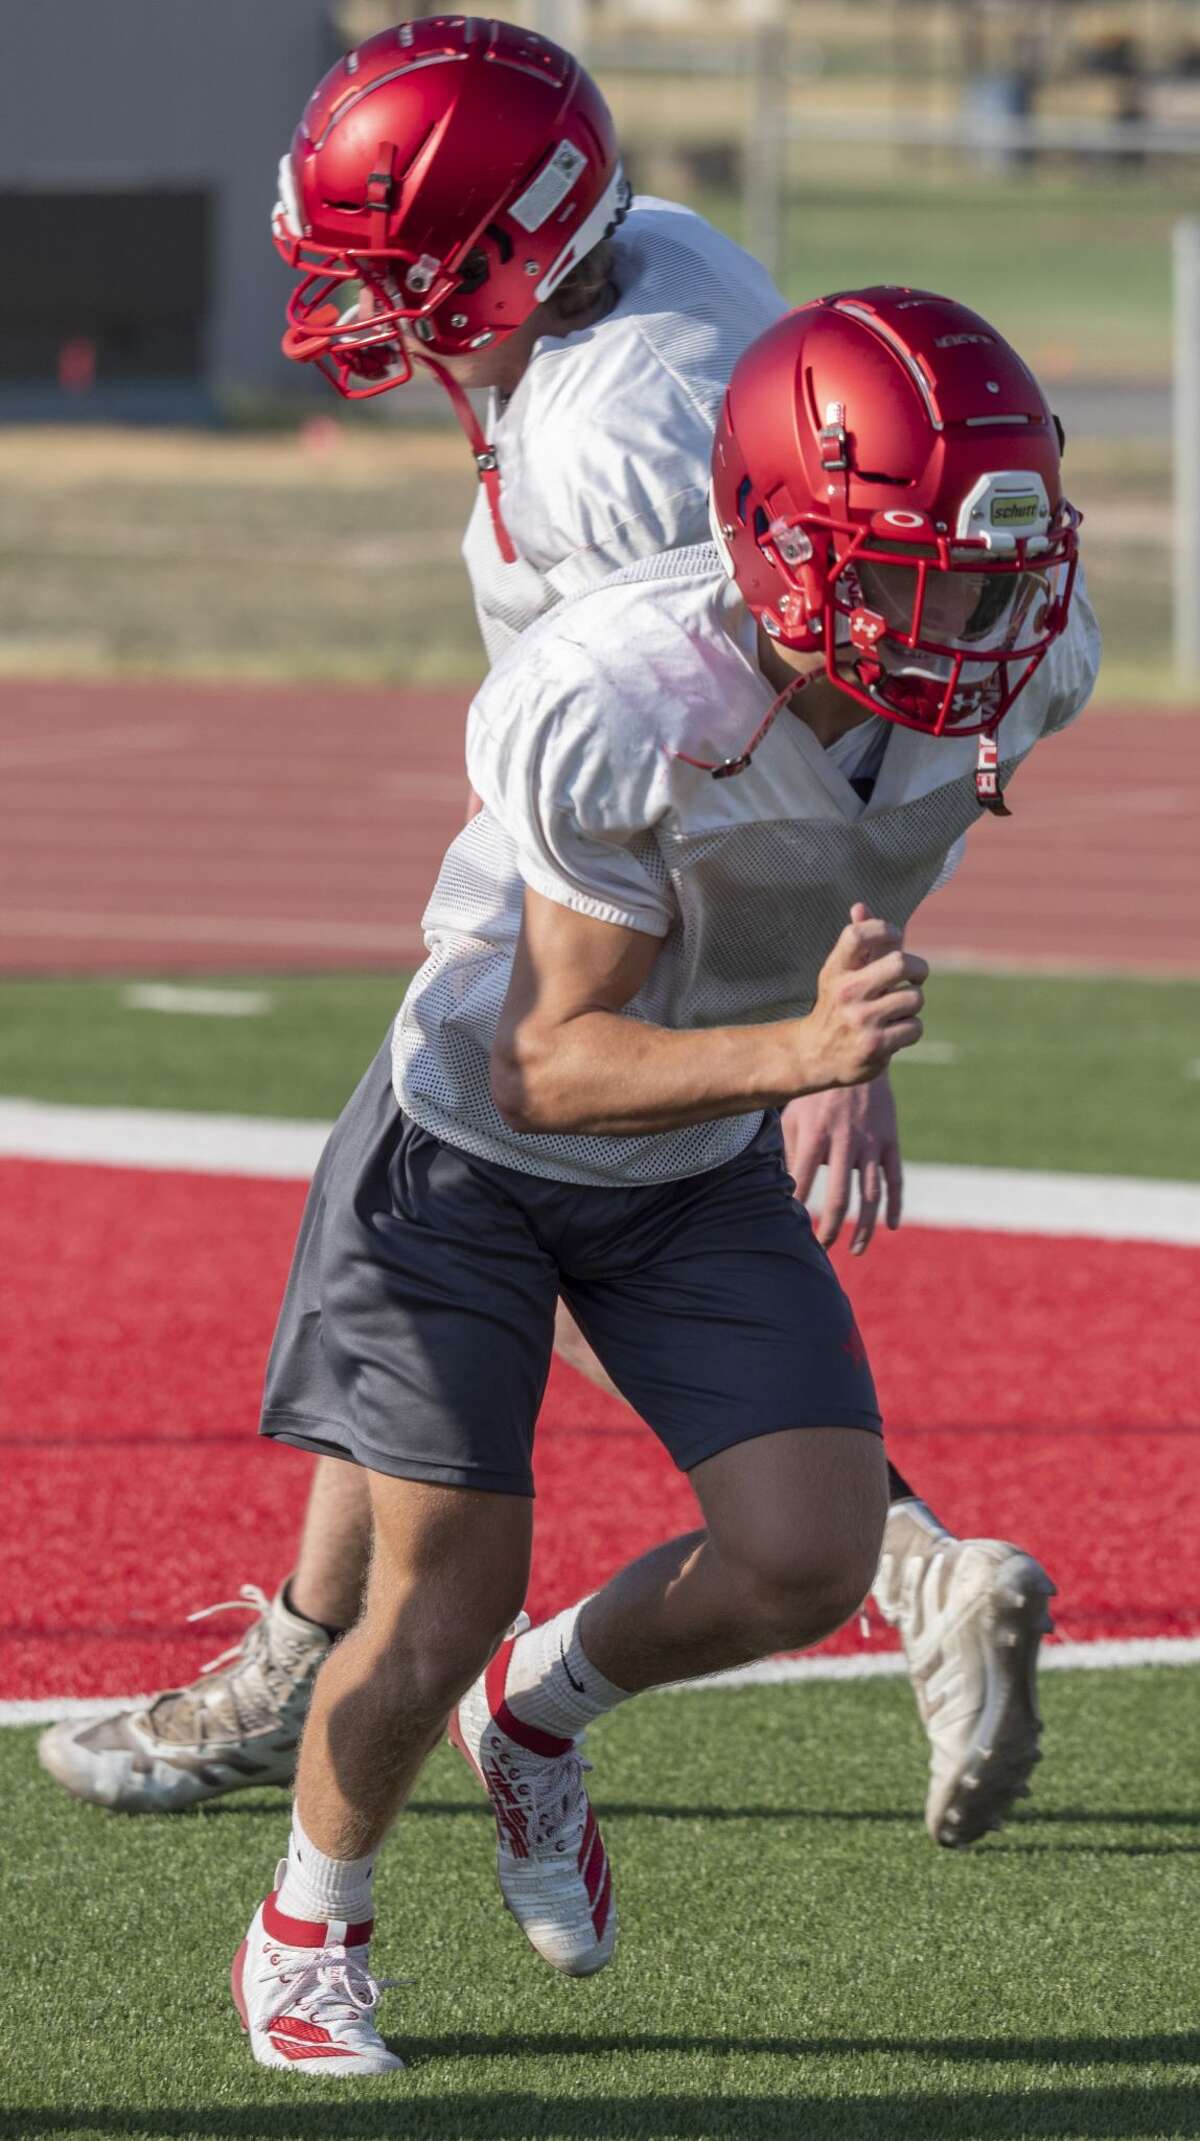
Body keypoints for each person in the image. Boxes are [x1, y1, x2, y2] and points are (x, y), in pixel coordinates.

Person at [41, 16, 1055, 1855]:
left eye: (383, 263)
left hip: (635, 896)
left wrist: (806, 1009)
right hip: (629, 852)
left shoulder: (622, 435)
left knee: (443, 1225)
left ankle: (890, 1571)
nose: (352, 300)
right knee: (422, 1262)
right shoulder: (644, 260)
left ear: (499, 243)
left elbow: (800, 691)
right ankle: (303, 1647)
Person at [229, 287, 1100, 2072]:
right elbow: (550, 1058)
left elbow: (866, 828)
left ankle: (538, 1719)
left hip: (688, 1153)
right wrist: (808, 1055)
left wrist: (809, 1021)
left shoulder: (1023, 647)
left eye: (990, 574)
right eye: (921, 575)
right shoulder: (621, 694)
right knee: (437, 1591)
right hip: (469, 1149)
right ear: (784, 549)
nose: (978, 619)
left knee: (807, 1551)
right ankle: (311, 1918)